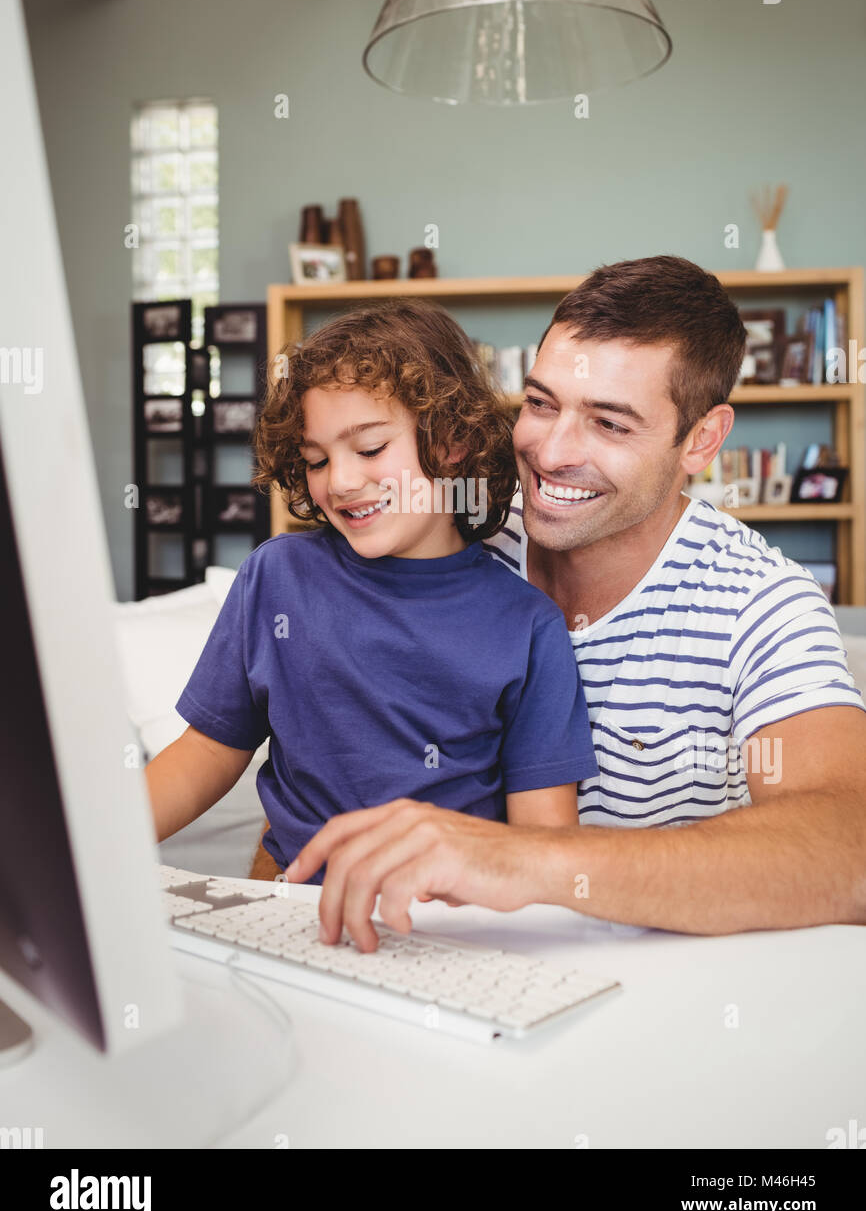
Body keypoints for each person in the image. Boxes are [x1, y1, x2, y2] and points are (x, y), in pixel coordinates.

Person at [279, 256, 866, 945]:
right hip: (436, 968)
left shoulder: (762, 604)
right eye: (540, 403)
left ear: (701, 440)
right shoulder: (441, 534)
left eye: (609, 424)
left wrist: (529, 861)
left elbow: (847, 851)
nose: (551, 452)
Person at [146, 300, 599, 882]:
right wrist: (88, 841)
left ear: (451, 441)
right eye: (315, 459)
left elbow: (543, 838)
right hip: (292, 913)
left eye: (369, 449)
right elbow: (206, 753)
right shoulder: (277, 576)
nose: (340, 481)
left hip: (450, 926)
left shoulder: (528, 625)